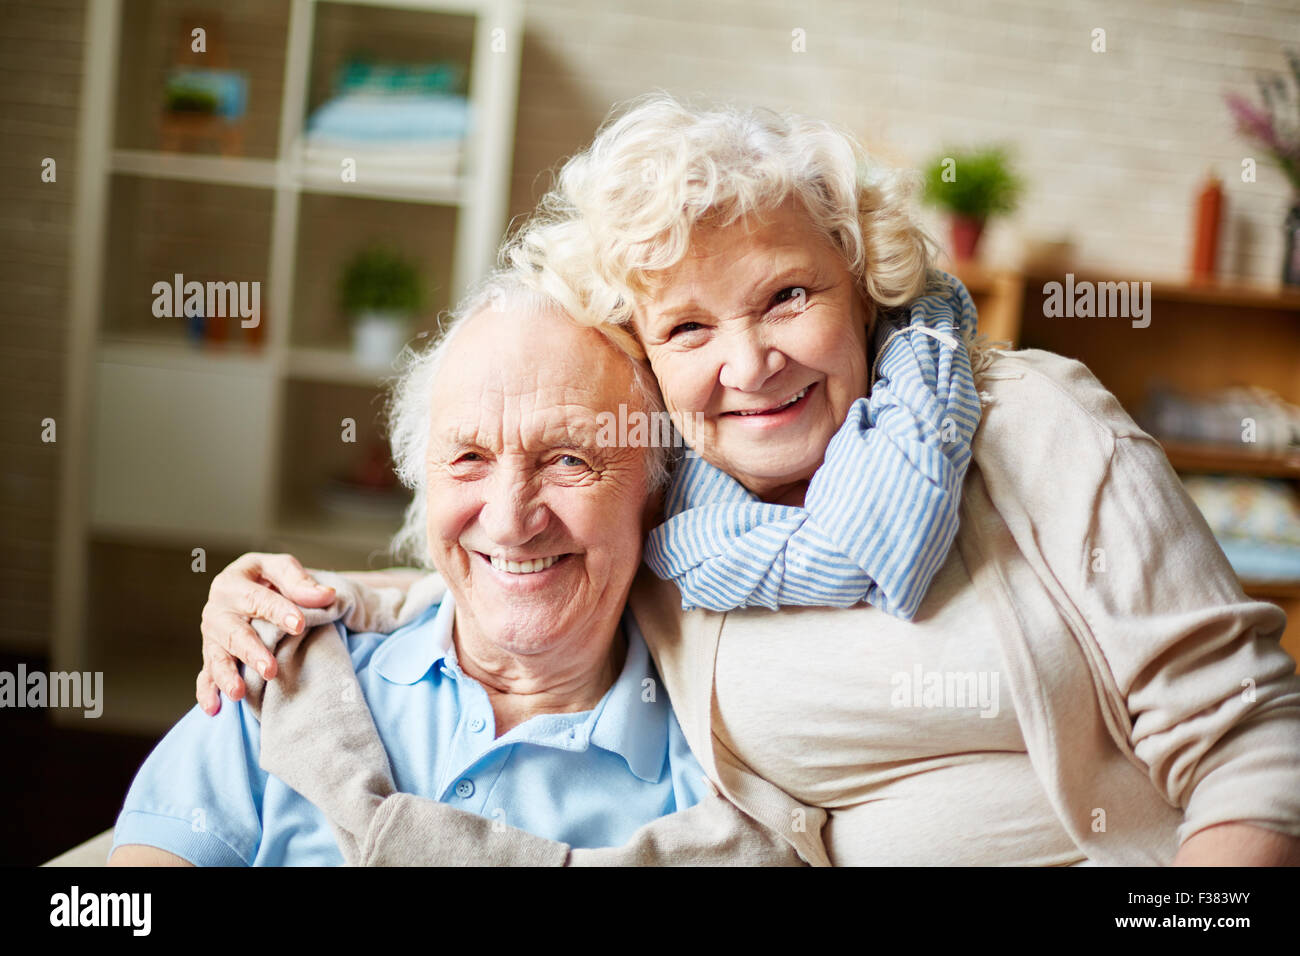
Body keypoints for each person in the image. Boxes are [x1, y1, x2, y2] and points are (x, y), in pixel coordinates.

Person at [199, 94, 1300, 866]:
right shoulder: (680, 512)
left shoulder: (1032, 421)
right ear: (649, 361)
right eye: (688, 325)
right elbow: (518, 565)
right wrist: (286, 598)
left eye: (786, 296)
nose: (748, 363)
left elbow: (1253, 739)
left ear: (861, 286)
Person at [109, 275, 801, 866]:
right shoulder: (286, 671)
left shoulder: (712, 778)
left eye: (568, 460)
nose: (508, 520)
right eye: (468, 458)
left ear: (655, 498)